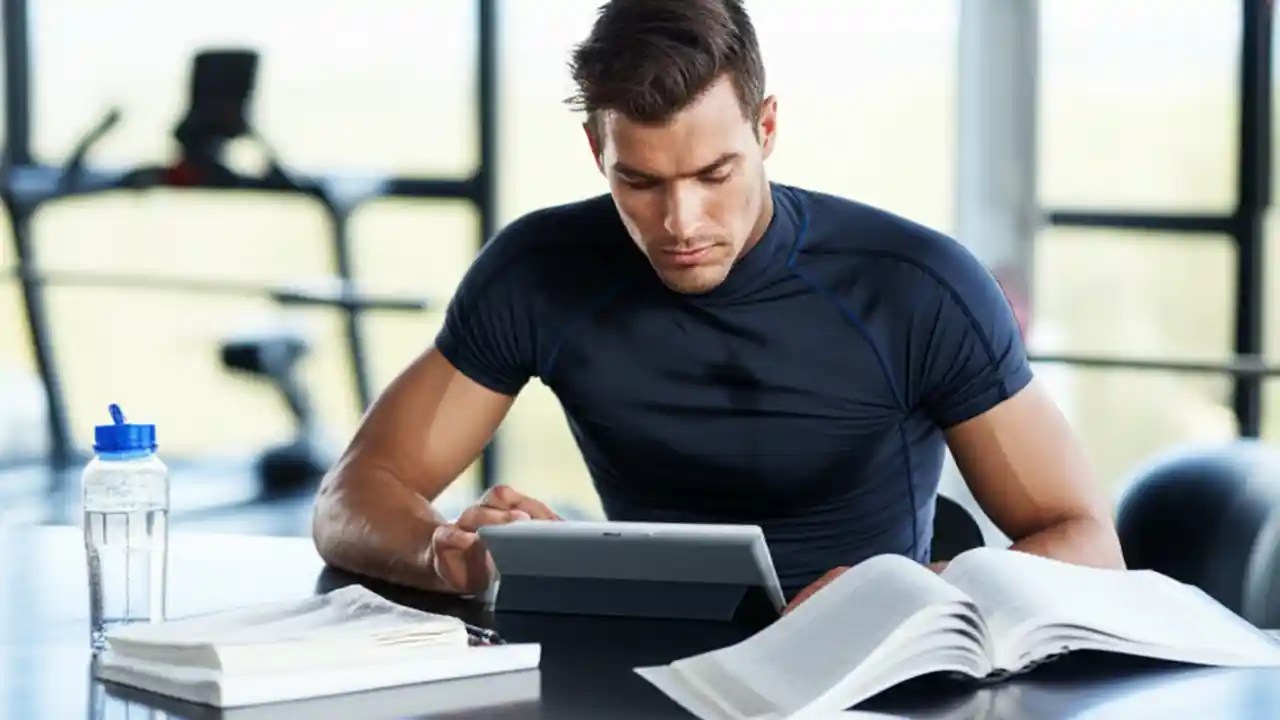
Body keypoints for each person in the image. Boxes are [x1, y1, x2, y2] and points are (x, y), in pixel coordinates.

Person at [311, 0, 1124, 612]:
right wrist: (444, 554)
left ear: (766, 129)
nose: (681, 223)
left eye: (714, 174)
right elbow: (353, 498)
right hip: (637, 658)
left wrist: (915, 588)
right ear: (598, 150)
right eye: (641, 182)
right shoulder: (537, 270)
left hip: (871, 672)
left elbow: (1086, 540)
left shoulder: (916, 286)